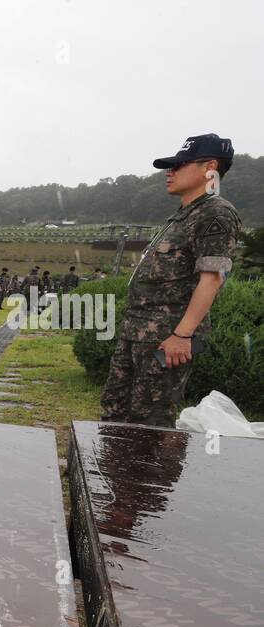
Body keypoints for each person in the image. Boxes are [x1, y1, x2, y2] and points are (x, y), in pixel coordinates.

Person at [100, 134, 241, 428]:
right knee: (115, 414)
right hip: (138, 333)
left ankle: (147, 477)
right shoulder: (183, 216)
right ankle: (111, 473)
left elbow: (212, 278)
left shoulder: (216, 213)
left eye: (179, 165)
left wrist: (183, 335)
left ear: (210, 167)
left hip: (167, 339)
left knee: (148, 423)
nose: (170, 172)